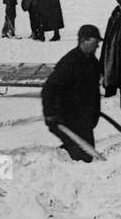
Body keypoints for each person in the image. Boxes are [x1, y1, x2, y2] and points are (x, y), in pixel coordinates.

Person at [41, 24, 103, 163]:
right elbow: (49, 89)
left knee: (86, 156)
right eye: (95, 42)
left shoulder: (93, 63)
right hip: (66, 118)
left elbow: (94, 92)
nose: (97, 47)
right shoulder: (69, 62)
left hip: (84, 119)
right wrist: (50, 114)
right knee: (80, 156)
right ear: (83, 40)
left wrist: (95, 113)